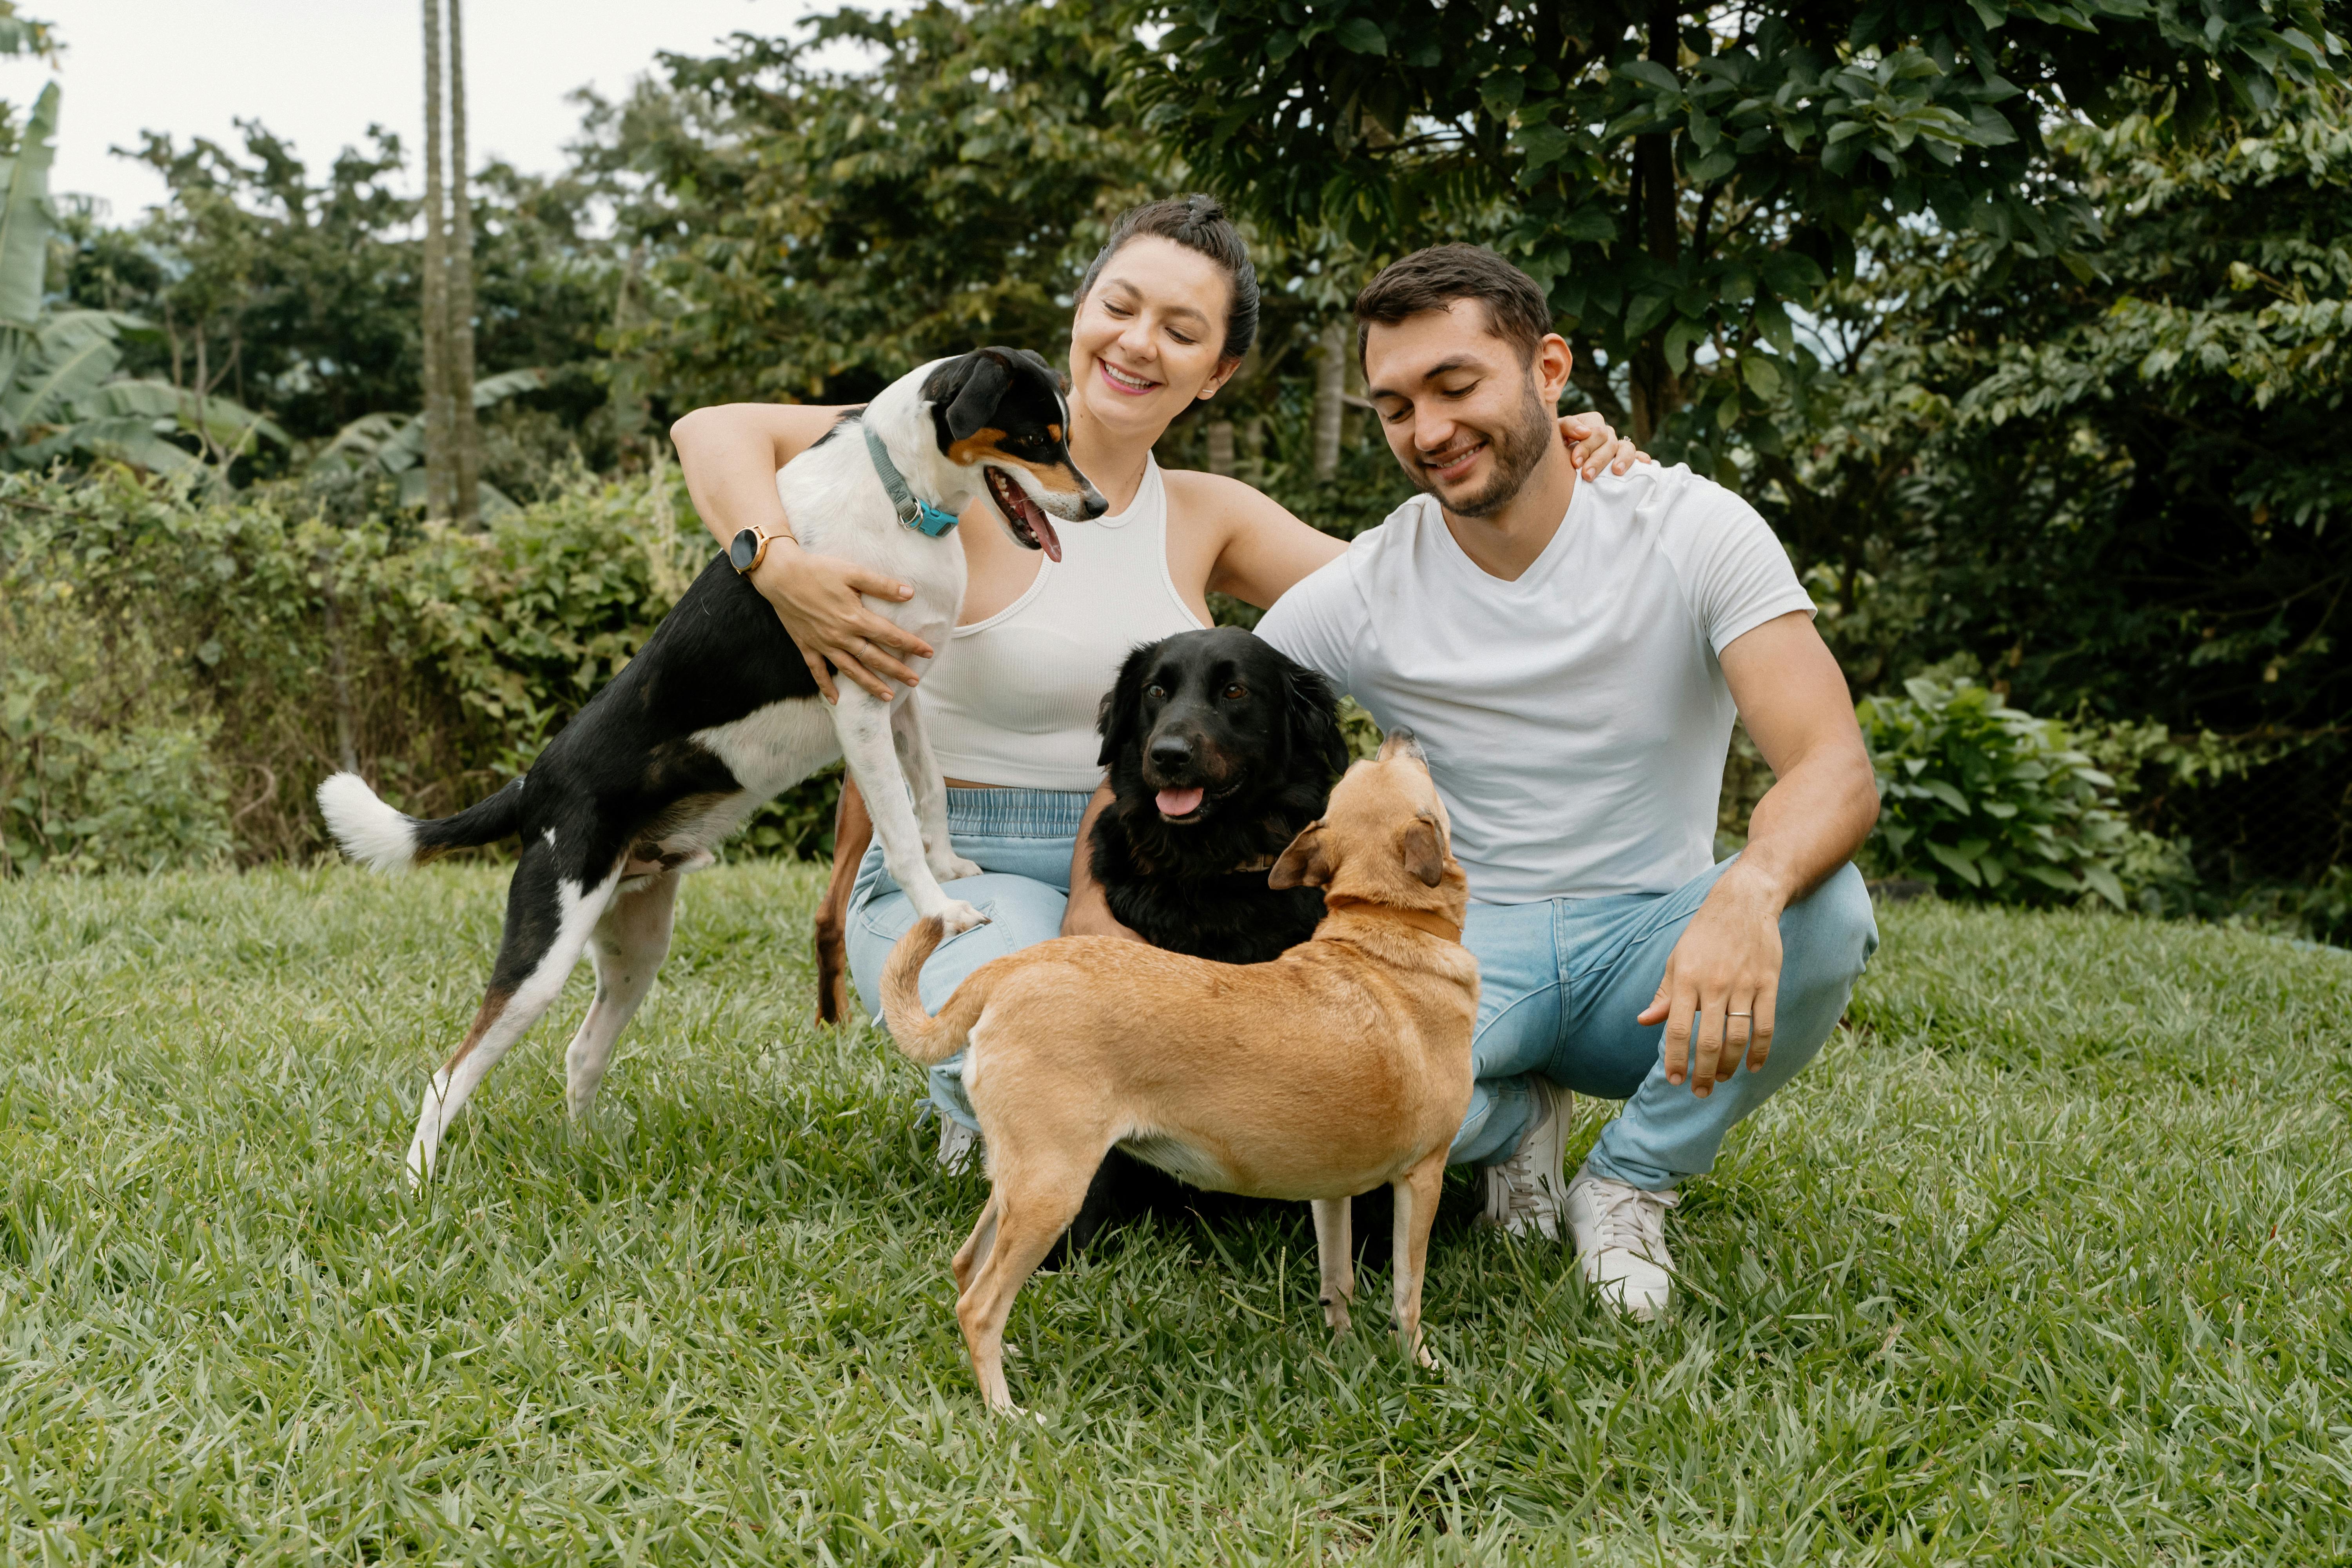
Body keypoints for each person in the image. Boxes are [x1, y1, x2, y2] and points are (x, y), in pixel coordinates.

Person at [671, 198, 1645, 1171]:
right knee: (1064, 1040)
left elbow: (1423, 584)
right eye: (1119, 306)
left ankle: (1506, 1119)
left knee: (1257, 1070)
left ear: (1216, 373)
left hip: (1161, 859)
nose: (1138, 344)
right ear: (1081, 311)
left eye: (1182, 331)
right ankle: (996, 1088)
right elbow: (715, 430)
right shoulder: (946, 466)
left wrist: (1552, 445)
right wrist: (778, 562)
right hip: (970, 859)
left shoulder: (1210, 512)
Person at [1254, 245, 1882, 1319]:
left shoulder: (1693, 529)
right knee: (1308, 1095)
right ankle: (1508, 1129)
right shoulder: (1367, 583)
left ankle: (1631, 1182)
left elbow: (1836, 767)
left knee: (1827, 905)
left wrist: (1748, 890)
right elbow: (1216, 722)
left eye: (1458, 386)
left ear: (1550, 370)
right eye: (1397, 406)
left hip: (1649, 959)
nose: (1430, 430)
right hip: (1460, 955)